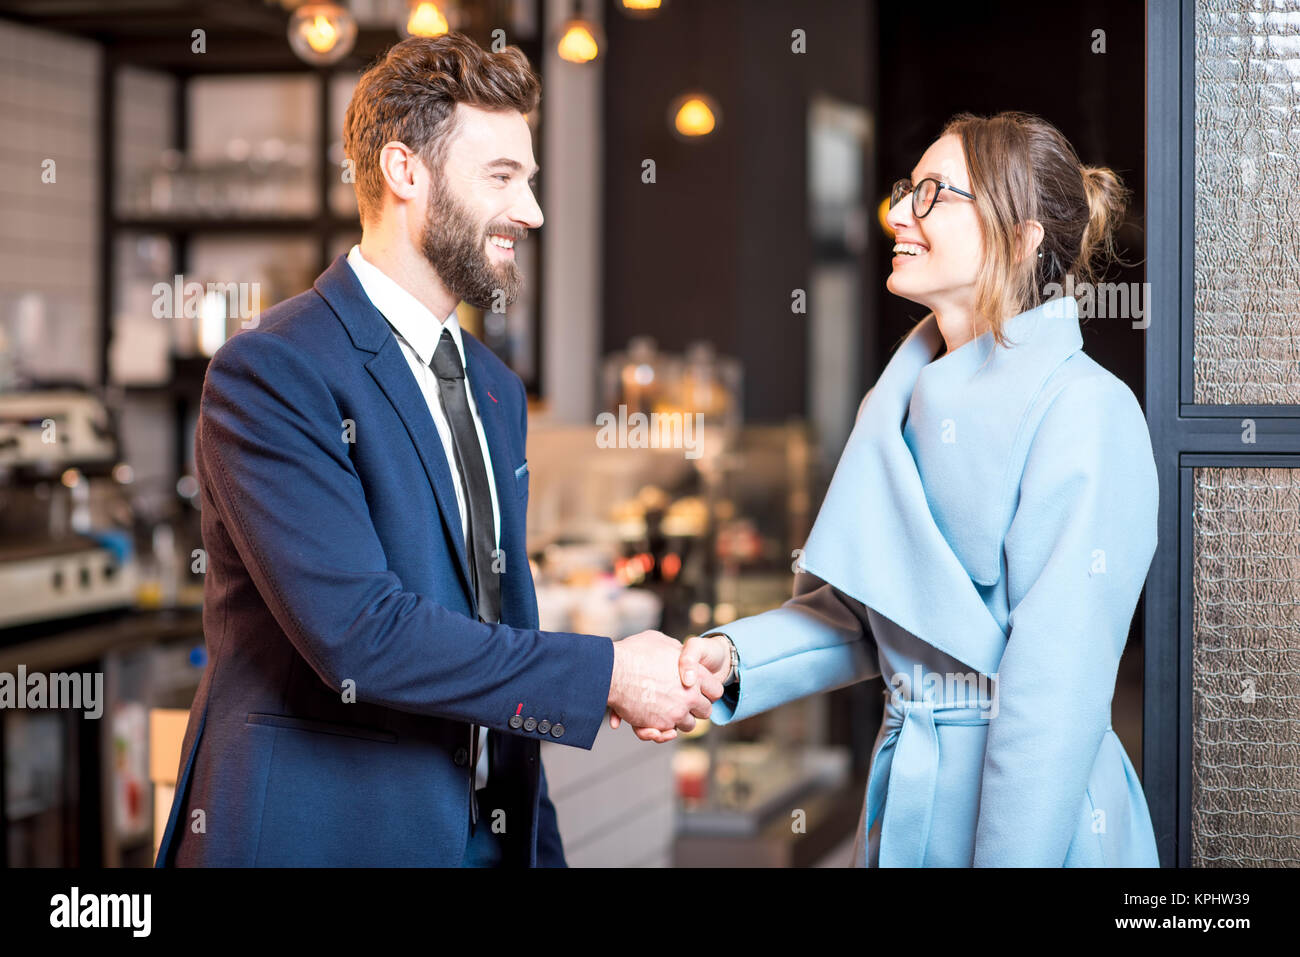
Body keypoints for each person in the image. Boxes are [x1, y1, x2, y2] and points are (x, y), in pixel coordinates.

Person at [154, 33, 719, 868]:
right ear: (405, 172)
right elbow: (360, 633)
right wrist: (605, 675)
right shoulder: (273, 370)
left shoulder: (493, 386)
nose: (531, 211)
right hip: (327, 838)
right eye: (502, 177)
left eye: (528, 179)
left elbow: (495, 623)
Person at [657, 111, 1162, 867]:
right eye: (906, 190)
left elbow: (1053, 701)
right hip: (911, 802)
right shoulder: (903, 399)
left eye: (934, 194)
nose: (899, 213)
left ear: (1019, 238)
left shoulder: (1087, 411)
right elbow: (872, 617)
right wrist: (733, 656)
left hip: (1032, 822)